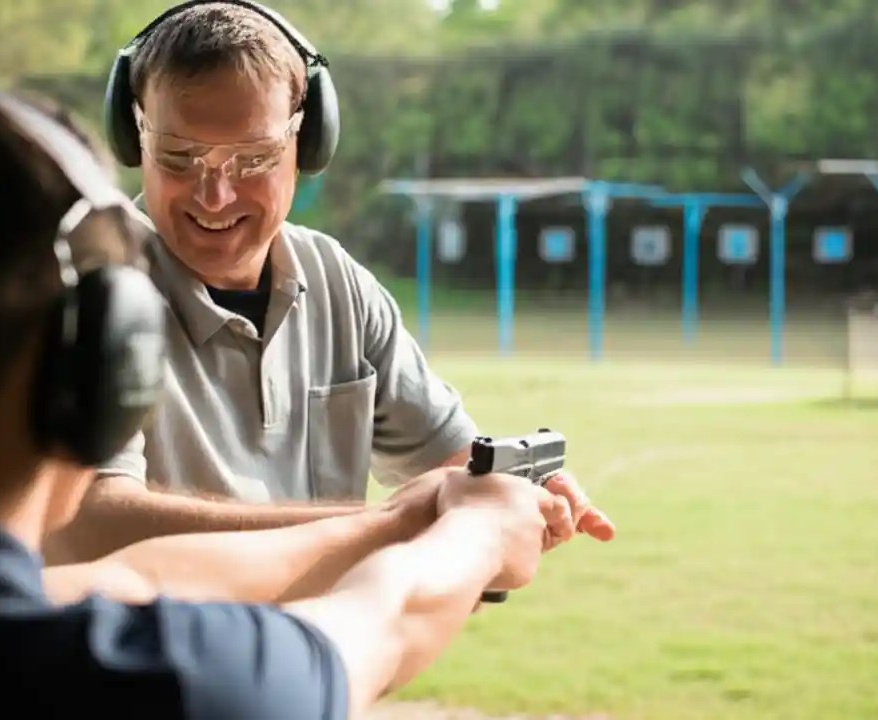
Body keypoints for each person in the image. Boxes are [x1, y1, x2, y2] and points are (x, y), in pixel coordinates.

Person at [0, 84, 586, 719]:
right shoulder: (181, 686)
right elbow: (391, 618)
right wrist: (470, 535)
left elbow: (123, 581)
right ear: (106, 366)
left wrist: (409, 513)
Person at [44, 0, 617, 564]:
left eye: (253, 160)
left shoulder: (336, 281)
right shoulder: (89, 288)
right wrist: (391, 522)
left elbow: (447, 465)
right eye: (177, 156)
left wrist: (509, 493)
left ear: (307, 144)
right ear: (134, 136)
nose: (214, 194)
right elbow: (92, 520)